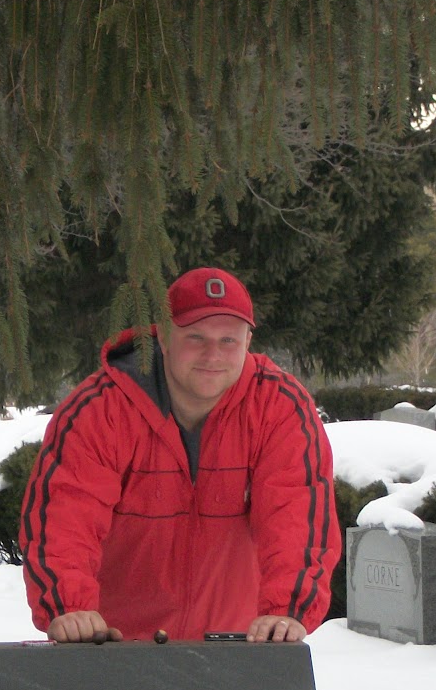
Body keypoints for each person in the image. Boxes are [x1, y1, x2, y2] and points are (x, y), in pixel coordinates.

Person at [19, 267, 340, 644]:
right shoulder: (101, 410)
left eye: (228, 340)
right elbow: (66, 514)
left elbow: (295, 513)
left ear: (248, 341)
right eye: (195, 337)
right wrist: (69, 605)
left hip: (235, 650)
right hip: (114, 648)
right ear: (164, 336)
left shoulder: (279, 407)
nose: (212, 355)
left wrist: (287, 609)